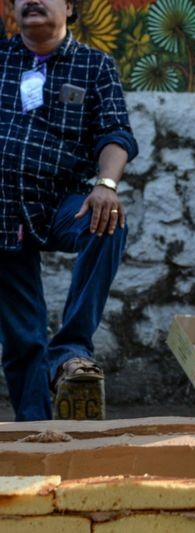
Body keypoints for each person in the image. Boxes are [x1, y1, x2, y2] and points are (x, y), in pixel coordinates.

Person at [0, 0, 138, 421]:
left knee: (108, 224)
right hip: (3, 210)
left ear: (71, 7)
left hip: (62, 203)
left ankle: (71, 347)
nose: (31, 1)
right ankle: (37, 435)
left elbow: (116, 132)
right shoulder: (2, 57)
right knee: (22, 339)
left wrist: (106, 184)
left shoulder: (95, 66)